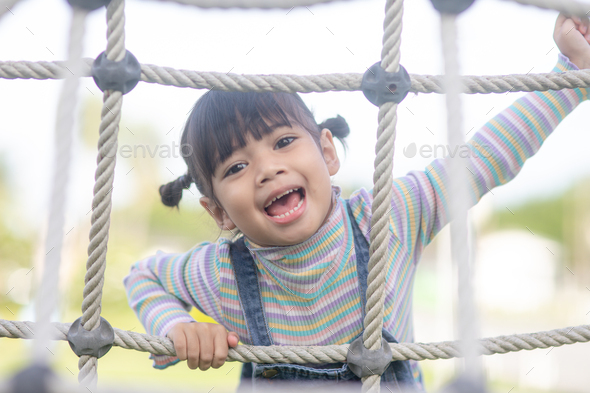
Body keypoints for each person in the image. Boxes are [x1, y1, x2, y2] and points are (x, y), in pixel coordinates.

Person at [124, 13, 590, 392]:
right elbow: (143, 277)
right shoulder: (222, 272)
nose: (266, 168)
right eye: (236, 168)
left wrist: (572, 73)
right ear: (219, 212)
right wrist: (176, 325)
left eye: (284, 141)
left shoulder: (389, 218)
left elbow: (485, 158)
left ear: (327, 152)